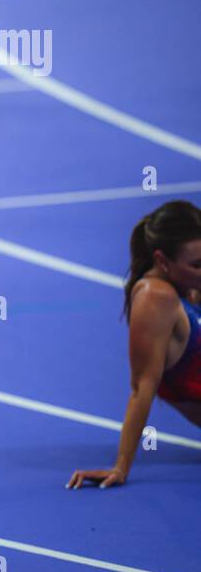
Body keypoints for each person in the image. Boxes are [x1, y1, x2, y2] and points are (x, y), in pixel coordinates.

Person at [69, 200, 201, 489]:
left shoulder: (186, 283)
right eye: (197, 265)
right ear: (163, 261)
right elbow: (143, 386)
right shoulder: (155, 298)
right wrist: (121, 467)